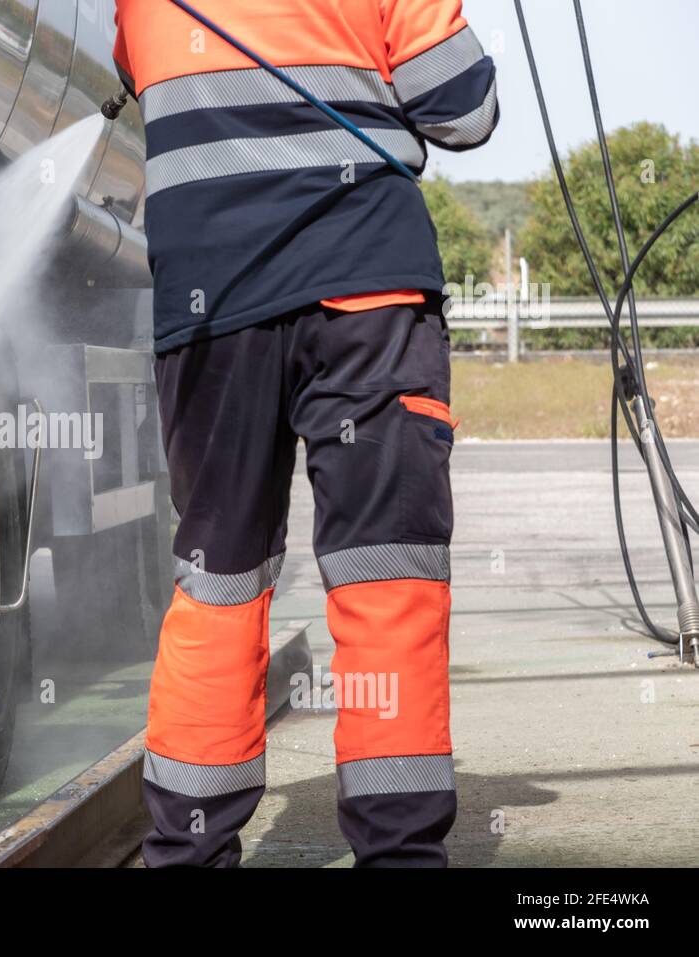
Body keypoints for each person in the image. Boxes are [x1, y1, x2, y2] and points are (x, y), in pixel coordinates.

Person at [112, 0, 498, 866]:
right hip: (367, 296)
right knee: (385, 574)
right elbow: (465, 108)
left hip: (210, 305)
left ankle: (186, 850)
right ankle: (398, 852)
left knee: (219, 578)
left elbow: (138, 73)